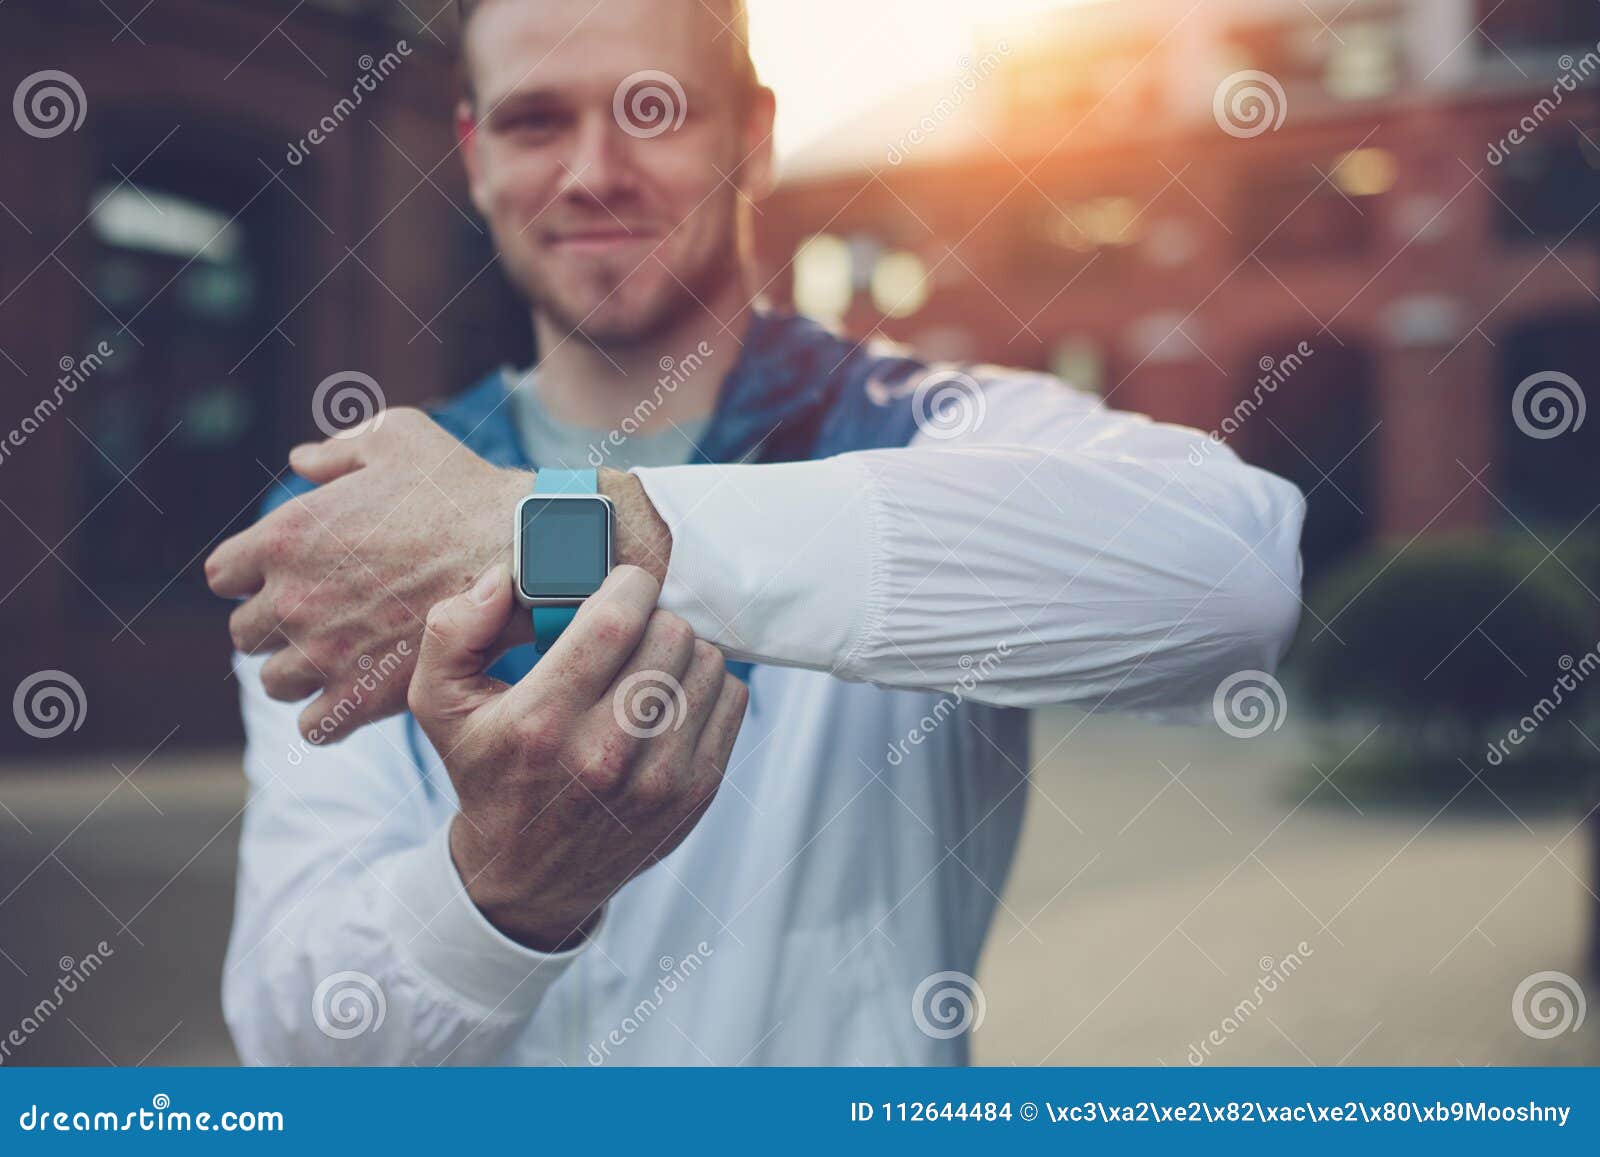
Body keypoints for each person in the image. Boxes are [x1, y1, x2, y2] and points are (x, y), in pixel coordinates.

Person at [204, 0, 1305, 1066]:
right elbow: (300, 1044)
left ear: (755, 137)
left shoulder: (924, 427)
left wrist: (568, 527)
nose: (592, 171)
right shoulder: (349, 541)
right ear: (475, 153)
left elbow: (1234, 581)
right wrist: (495, 895)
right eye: (535, 120)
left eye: (652, 109)